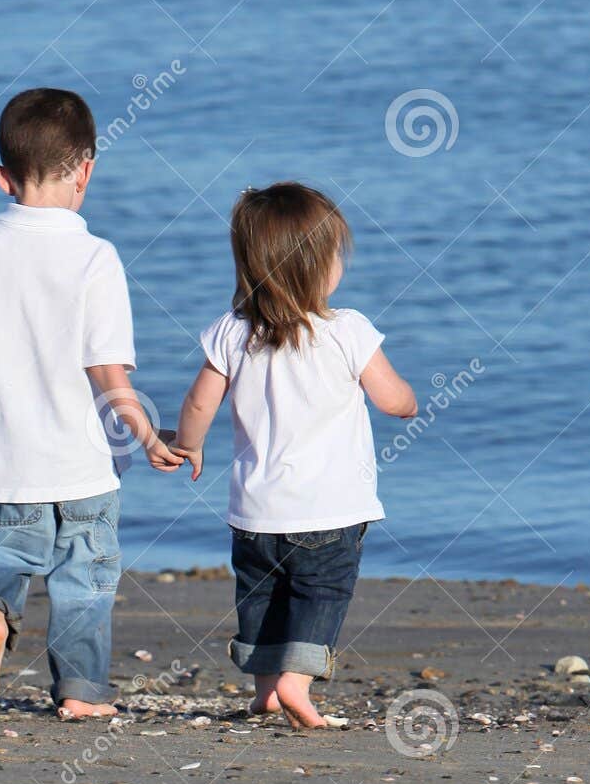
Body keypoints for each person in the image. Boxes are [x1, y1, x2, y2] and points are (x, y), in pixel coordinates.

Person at [0, 86, 180, 719]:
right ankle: (80, 693)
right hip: (84, 463)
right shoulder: (96, 256)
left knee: (6, 553)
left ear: (2, 177)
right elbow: (106, 368)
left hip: (5, 458)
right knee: (84, 580)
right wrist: (147, 435)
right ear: (86, 170)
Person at [173, 182, 417, 728]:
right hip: (330, 511)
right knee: (320, 593)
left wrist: (188, 445)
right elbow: (390, 397)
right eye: (335, 255)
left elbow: (199, 403)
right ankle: (296, 683)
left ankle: (265, 689)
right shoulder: (347, 330)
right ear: (318, 267)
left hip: (255, 513)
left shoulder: (232, 332)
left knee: (261, 596)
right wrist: (409, 403)